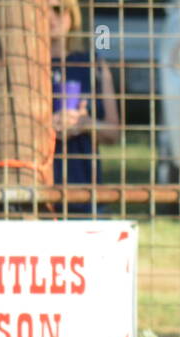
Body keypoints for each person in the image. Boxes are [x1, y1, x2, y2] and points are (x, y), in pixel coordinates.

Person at [49, 0, 119, 219]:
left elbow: (114, 133)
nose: (51, 17)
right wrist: (47, 125)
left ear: (72, 16)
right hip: (37, 186)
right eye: (43, 10)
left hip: (84, 187)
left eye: (59, 10)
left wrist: (86, 124)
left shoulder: (92, 64)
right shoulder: (22, 68)